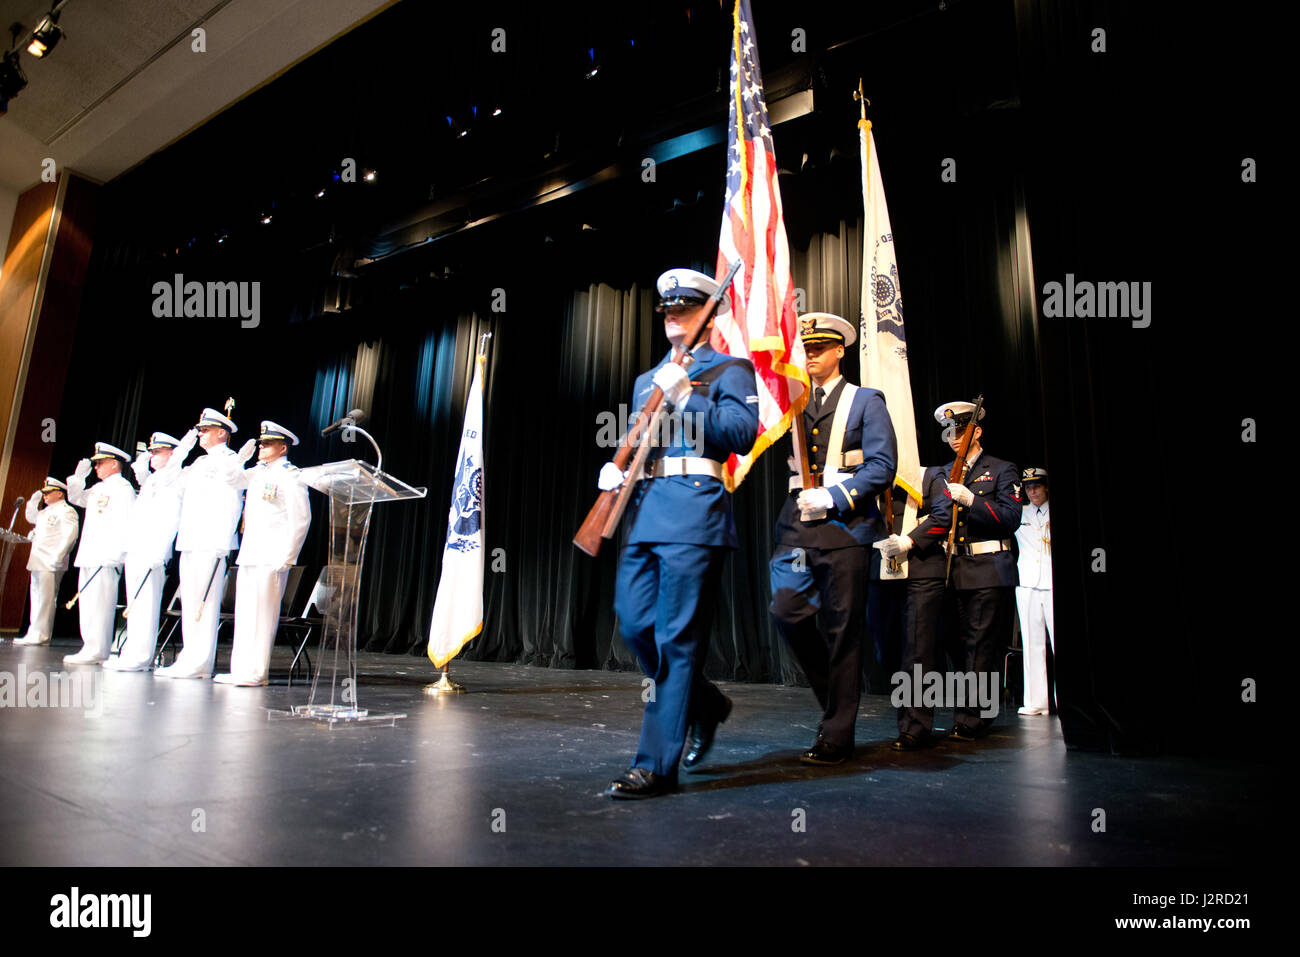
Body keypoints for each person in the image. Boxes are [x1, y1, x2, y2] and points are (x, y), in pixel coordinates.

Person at [599, 267, 758, 799]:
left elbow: (740, 434)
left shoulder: (729, 370)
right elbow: (639, 441)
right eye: (667, 310)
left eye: (683, 309)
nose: (673, 318)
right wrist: (617, 469)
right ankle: (706, 704)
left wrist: (690, 395)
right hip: (644, 513)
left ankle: (655, 766)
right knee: (634, 625)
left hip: (694, 515)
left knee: (674, 639)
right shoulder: (648, 379)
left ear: (707, 316)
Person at [767, 312, 896, 765]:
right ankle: (833, 698)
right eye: (806, 348)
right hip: (797, 528)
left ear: (840, 351)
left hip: (847, 528)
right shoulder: (794, 401)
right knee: (786, 609)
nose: (811, 355)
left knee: (844, 632)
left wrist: (837, 496)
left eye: (819, 348)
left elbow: (882, 467)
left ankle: (838, 733)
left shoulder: (865, 401)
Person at [878, 401, 1021, 744]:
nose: (954, 437)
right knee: (959, 648)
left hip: (988, 567)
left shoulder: (1001, 469)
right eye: (950, 431)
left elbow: (1011, 518)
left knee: (981, 647)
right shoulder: (942, 472)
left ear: (977, 431)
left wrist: (974, 501)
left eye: (961, 430)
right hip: (952, 569)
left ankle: (973, 719)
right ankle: (968, 712)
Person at [155, 408, 254, 679]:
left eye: (205, 430)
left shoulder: (231, 460)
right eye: (200, 430)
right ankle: (190, 657)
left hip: (212, 541)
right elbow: (168, 479)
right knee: (190, 601)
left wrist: (225, 539)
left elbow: (234, 502)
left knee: (204, 604)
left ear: (221, 433)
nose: (200, 434)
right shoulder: (199, 463)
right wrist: (181, 452)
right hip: (190, 539)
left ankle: (199, 662)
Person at [214, 421, 311, 687]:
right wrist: (239, 460)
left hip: (272, 556)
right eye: (260, 443)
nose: (261, 447)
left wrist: (288, 557)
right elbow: (232, 480)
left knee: (263, 616)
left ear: (282, 447)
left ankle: (257, 671)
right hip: (250, 554)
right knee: (245, 614)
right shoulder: (257, 472)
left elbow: (301, 519)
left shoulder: (291, 476)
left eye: (267, 444)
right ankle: (240, 669)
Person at [106, 432, 184, 672]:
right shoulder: (153, 479)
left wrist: (160, 551)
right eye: (151, 451)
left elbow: (171, 518)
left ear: (172, 454)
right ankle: (132, 651)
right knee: (135, 603)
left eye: (157, 452)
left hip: (153, 551)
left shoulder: (174, 480)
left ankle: (141, 656)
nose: (152, 456)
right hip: (137, 548)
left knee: (146, 604)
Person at [63, 442, 136, 664]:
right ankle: (90, 646)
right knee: (87, 603)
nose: (96, 468)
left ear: (114, 464)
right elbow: (76, 498)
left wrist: (116, 555)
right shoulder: (97, 489)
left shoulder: (123, 489)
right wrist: (78, 479)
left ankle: (98, 648)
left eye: (100, 463)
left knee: (100, 603)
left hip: (106, 556)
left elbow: (126, 523)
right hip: (89, 553)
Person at [12, 478, 79, 646]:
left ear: (59, 493)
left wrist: (59, 555)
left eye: (48, 493)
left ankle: (41, 634)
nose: (45, 496)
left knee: (46, 598)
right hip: (38, 559)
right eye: (44, 493)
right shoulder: (45, 512)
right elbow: (31, 518)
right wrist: (32, 503)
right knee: (37, 597)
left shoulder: (66, 511)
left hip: (51, 560)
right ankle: (34, 631)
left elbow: (70, 535)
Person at [1014, 467, 1053, 715]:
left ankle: (1065, 701)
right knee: (1031, 643)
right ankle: (1036, 701)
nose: (1033, 491)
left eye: (1037, 486)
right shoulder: (1019, 513)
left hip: (1051, 583)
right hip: (1027, 582)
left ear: (1046, 486)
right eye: (1028, 487)